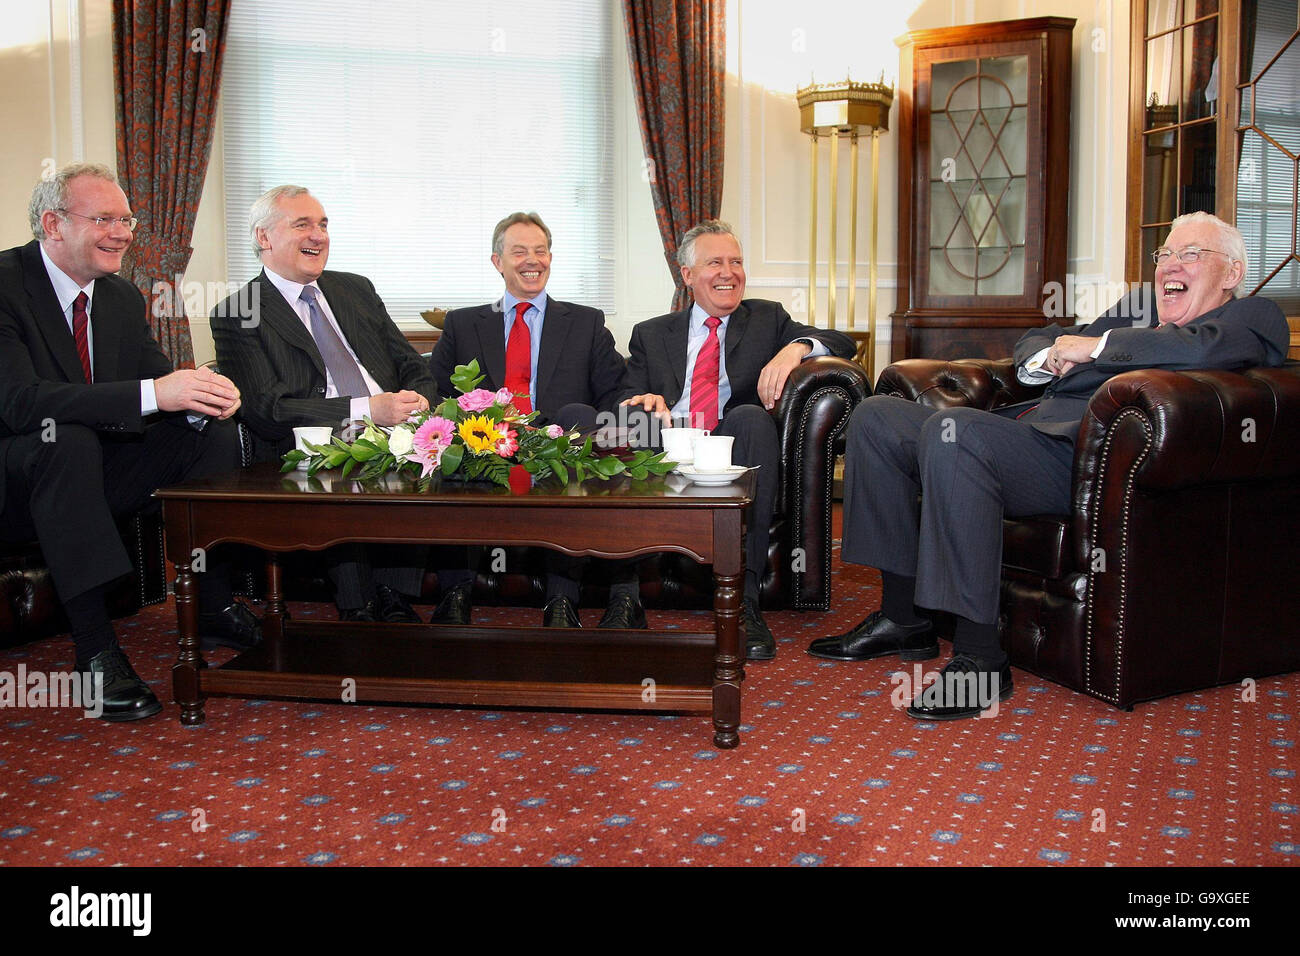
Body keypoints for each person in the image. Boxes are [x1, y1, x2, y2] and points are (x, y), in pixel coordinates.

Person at [811, 211, 1290, 719]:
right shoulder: (1136, 307)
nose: (1172, 265)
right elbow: (1047, 334)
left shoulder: (1254, 317)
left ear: (1232, 274)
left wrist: (1096, 348)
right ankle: (903, 617)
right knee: (877, 417)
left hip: (1086, 461)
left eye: (1192, 254)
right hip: (1027, 432)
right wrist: (1049, 358)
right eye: (1165, 254)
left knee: (958, 434)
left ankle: (981, 659)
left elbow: (1200, 348)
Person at [0, 163, 256, 721]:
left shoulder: (117, 297)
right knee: (64, 439)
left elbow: (158, 386)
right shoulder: (5, 285)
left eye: (127, 219)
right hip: (19, 478)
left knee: (209, 427)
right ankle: (95, 651)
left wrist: (202, 394)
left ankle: (212, 604)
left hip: (91, 473)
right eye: (105, 219)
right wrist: (158, 393)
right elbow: (18, 403)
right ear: (53, 223)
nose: (122, 232)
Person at [621, 220, 856, 660]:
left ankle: (744, 600)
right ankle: (625, 595)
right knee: (638, 420)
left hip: (733, 446)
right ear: (688, 276)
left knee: (750, 416)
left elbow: (841, 341)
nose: (729, 272)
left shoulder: (767, 318)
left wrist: (798, 346)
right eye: (715, 263)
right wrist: (644, 399)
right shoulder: (652, 334)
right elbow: (621, 395)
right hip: (671, 444)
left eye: (736, 262)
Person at [210, 185, 440, 623]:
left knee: (432, 446)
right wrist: (367, 411)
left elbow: (412, 363)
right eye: (302, 225)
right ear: (264, 238)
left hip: (396, 420)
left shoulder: (355, 289)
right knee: (347, 458)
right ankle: (359, 605)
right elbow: (267, 409)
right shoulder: (240, 310)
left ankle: (395, 594)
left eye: (323, 224)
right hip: (314, 436)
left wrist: (419, 400)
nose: (318, 235)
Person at [427, 212, 629, 628]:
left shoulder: (586, 322)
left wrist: (616, 420)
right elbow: (437, 396)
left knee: (578, 424)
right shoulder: (464, 324)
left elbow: (614, 392)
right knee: (450, 444)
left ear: (551, 258)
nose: (531, 260)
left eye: (540, 251)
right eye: (519, 251)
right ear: (497, 261)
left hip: (559, 446)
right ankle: (455, 593)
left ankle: (562, 602)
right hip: (485, 448)